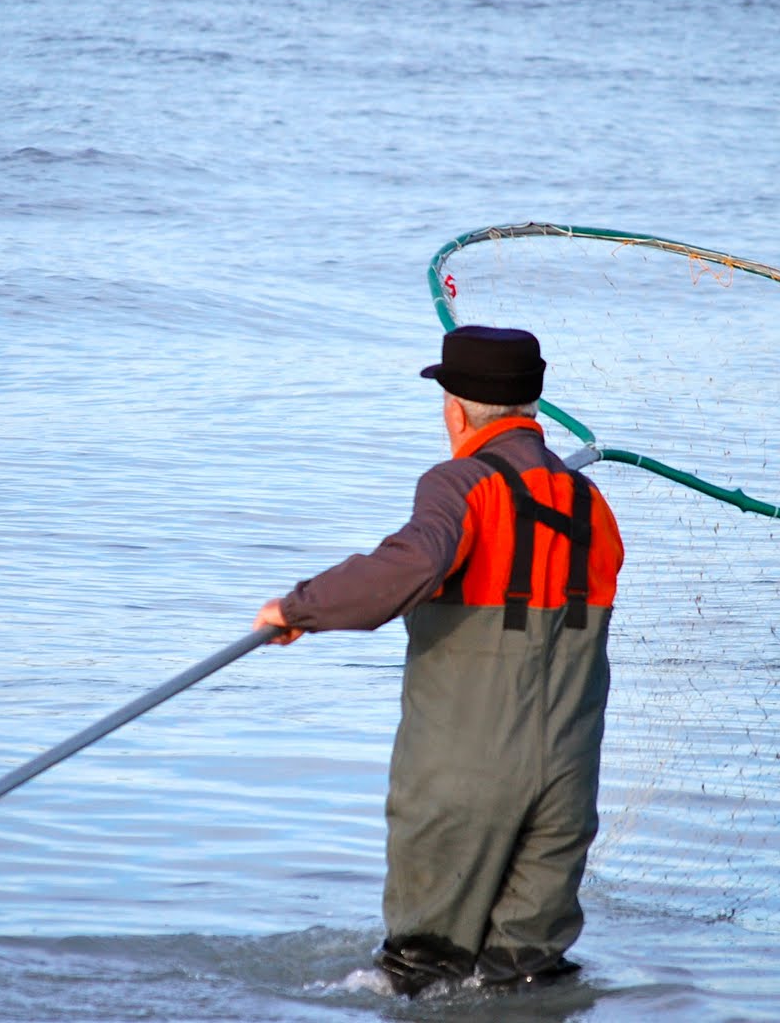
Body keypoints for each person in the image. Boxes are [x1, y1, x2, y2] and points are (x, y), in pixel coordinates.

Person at [253, 325, 624, 995]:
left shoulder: (460, 483)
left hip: (464, 781)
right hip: (568, 782)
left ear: (456, 411)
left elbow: (414, 564)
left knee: (419, 978)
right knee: (527, 978)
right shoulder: (593, 505)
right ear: (531, 406)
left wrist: (297, 609)